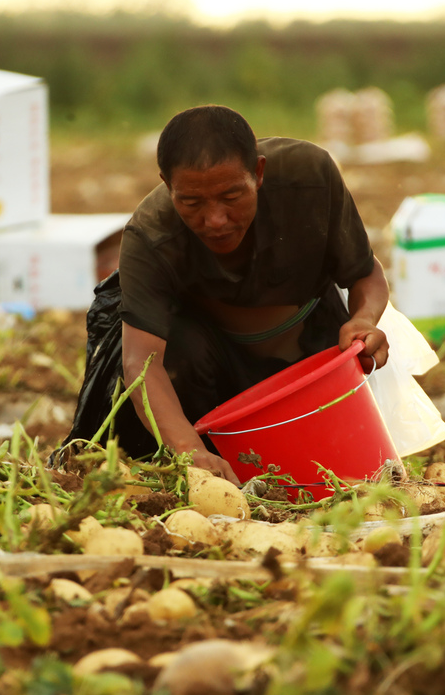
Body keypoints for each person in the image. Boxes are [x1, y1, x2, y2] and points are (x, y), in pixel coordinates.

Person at [63, 105, 390, 484]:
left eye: (232, 196)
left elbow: (365, 274)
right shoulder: (149, 235)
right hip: (212, 369)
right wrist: (189, 450)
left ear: (259, 173)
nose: (215, 219)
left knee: (339, 473)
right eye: (191, 202)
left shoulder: (309, 177)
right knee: (179, 355)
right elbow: (140, 363)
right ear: (168, 187)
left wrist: (363, 321)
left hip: (312, 354)